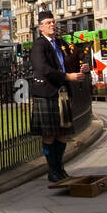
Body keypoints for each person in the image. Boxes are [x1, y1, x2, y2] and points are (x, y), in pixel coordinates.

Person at [29, 12, 91, 186]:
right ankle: (52, 171)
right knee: (49, 135)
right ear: (40, 27)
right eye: (48, 23)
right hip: (47, 93)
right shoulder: (38, 45)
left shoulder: (60, 43)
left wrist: (82, 67)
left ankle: (60, 168)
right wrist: (67, 77)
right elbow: (42, 69)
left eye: (53, 22)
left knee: (63, 134)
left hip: (62, 94)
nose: (52, 25)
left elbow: (69, 63)